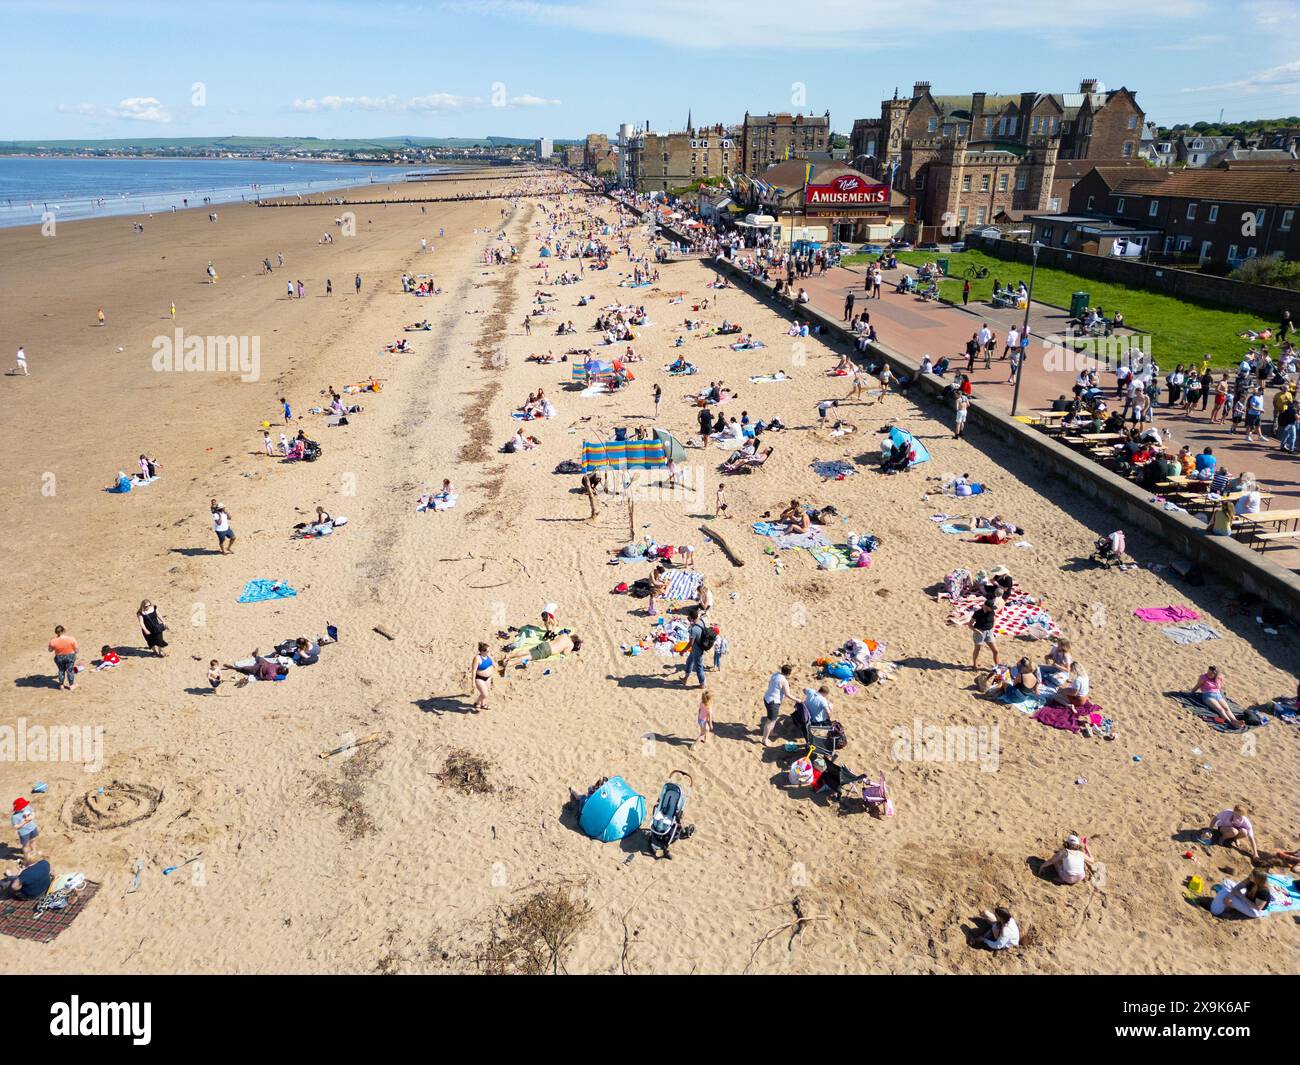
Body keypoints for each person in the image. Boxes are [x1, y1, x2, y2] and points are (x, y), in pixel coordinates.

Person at [497, 632, 581, 674]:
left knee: (527, 651)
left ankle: (509, 655)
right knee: (528, 657)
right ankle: (510, 663)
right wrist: (570, 651)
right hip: (547, 651)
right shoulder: (571, 644)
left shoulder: (565, 635)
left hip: (545, 644)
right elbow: (565, 653)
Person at [761, 664, 794, 746]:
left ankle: (771, 732)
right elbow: (787, 694)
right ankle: (764, 739)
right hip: (773, 702)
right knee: (770, 721)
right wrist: (797, 700)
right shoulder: (784, 681)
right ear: (789, 673)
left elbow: (770, 684)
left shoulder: (775, 674)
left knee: (774, 719)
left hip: (767, 698)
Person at [969, 596, 999, 669]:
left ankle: (997, 666)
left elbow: (994, 619)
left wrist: (993, 628)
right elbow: (970, 625)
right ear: (986, 606)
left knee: (996, 651)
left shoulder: (992, 612)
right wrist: (976, 631)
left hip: (989, 632)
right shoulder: (978, 613)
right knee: (977, 649)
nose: (992, 609)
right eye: (991, 607)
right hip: (979, 632)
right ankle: (974, 665)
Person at [48, 625, 78, 691]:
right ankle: (71, 686)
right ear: (64, 630)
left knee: (61, 670)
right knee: (70, 671)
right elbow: (76, 650)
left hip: (59, 657)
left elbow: (50, 650)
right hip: (70, 656)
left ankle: (61, 685)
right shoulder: (71, 638)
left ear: (56, 632)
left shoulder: (53, 641)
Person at [470, 643, 494, 712]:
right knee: (485, 694)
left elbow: (492, 662)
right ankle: (477, 702)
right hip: (479, 678)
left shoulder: (488, 655)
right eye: (488, 651)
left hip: (488, 678)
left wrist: (497, 668)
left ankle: (483, 704)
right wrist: (473, 682)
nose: (489, 652)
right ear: (482, 651)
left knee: (484, 693)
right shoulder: (477, 658)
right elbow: (474, 670)